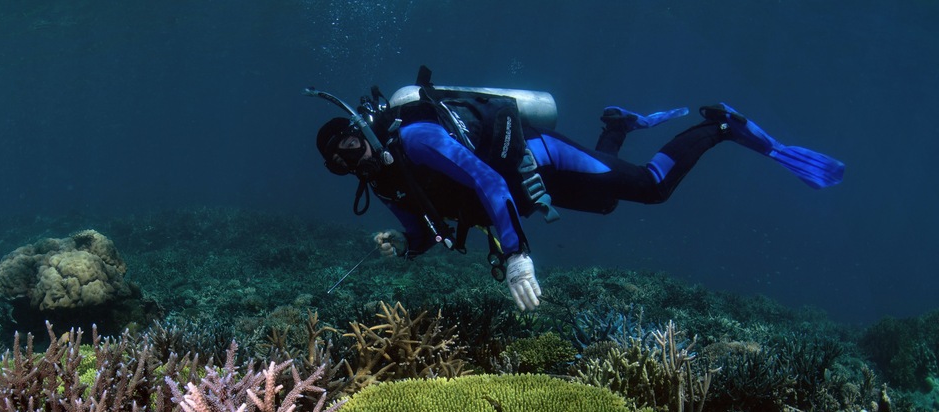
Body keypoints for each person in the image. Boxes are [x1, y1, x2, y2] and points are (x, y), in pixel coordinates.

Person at [315, 77, 844, 312]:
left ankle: (722, 127)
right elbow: (424, 230)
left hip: (537, 158)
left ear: (362, 128)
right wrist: (403, 244)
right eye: (339, 162)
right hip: (524, 195)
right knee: (607, 201)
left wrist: (519, 257)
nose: (351, 159)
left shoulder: (416, 138)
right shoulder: (382, 180)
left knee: (650, 187)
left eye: (349, 144)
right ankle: (615, 124)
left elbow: (489, 182)